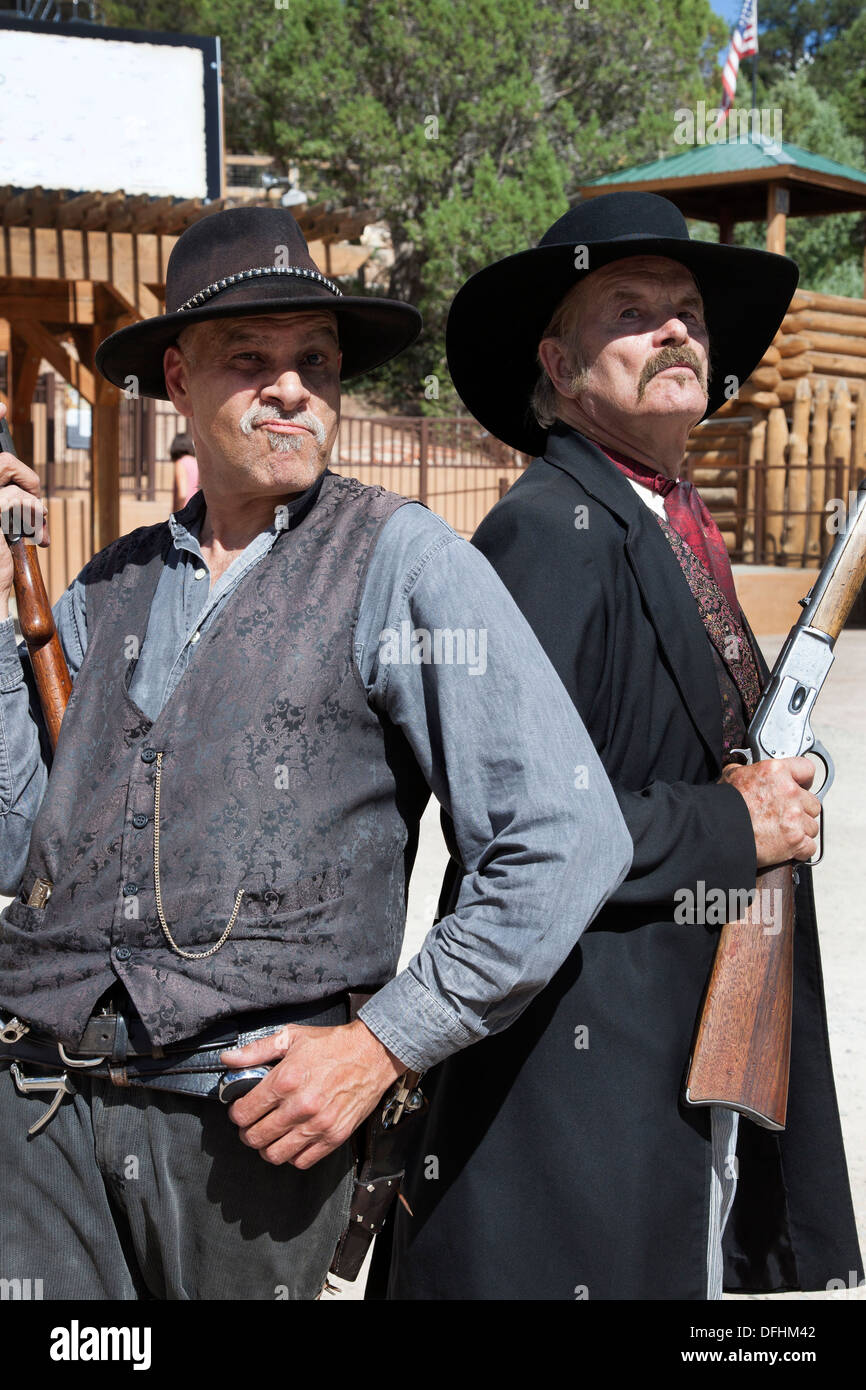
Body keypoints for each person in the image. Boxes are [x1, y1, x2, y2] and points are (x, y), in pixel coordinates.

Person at [0, 205, 631, 1300]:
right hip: (42, 1123)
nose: (290, 388)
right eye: (248, 360)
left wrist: (382, 1044)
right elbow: (24, 848)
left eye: (315, 362)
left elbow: (566, 838)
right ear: (176, 383)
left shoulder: (403, 563)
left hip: (249, 1145)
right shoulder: (106, 586)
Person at [374, 191, 863, 1301]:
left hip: (670, 1050)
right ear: (556, 359)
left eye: (684, 309)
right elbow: (521, 828)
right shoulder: (549, 529)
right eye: (631, 311)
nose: (674, 329)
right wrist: (732, 821)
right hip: (571, 1079)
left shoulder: (663, 516)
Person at [170, 431, 199, 512]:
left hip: (185, 510)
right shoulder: (195, 462)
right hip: (196, 508)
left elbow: (182, 494)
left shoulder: (180, 463)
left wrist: (179, 515)